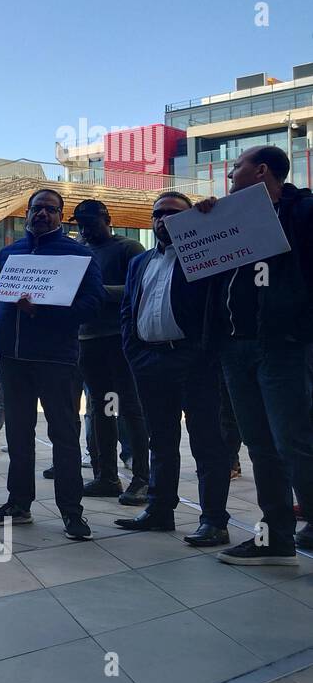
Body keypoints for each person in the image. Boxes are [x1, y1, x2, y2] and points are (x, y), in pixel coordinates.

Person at [200, 146, 313, 564]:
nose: (229, 176)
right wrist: (204, 222)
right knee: (260, 446)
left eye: (236, 168)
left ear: (261, 169)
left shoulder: (302, 212)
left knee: (295, 442)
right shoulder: (229, 219)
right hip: (235, 347)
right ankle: (276, 538)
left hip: (281, 346)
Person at [0, 188, 104, 540]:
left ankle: (71, 511)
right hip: (13, 359)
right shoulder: (10, 252)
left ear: (61, 216)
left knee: (64, 436)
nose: (42, 214)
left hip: (56, 360)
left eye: (50, 209)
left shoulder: (78, 255)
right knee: (18, 435)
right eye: (36, 208)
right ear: (27, 213)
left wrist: (44, 313)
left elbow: (93, 302)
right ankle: (19, 503)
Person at [112, 191, 231, 544]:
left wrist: (212, 220)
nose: (164, 220)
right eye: (158, 214)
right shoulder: (140, 262)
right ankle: (160, 509)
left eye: (174, 214)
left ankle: (213, 520)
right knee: (160, 439)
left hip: (194, 360)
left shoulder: (206, 256)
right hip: (148, 360)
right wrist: (133, 352)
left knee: (207, 440)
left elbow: (239, 244)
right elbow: (127, 311)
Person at [71, 199, 151, 504]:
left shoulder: (128, 248)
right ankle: (106, 475)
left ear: (107, 219)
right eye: (80, 225)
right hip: (88, 339)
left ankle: (142, 478)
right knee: (101, 408)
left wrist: (98, 292)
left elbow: (140, 288)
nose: (85, 231)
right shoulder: (80, 251)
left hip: (119, 338)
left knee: (130, 408)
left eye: (90, 224)